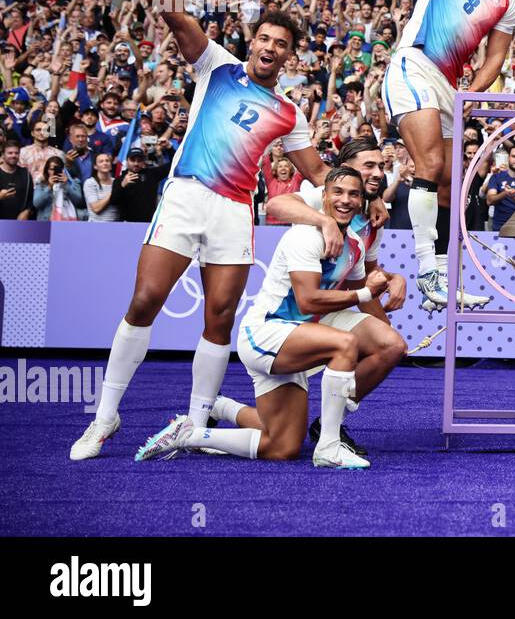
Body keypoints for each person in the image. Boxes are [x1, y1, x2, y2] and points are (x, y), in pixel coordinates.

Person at [70, 0, 330, 462]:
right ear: (252, 41)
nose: (270, 48)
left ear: (289, 56)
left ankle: (193, 422)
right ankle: (103, 419)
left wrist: (354, 193)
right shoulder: (217, 66)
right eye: (265, 39)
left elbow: (319, 174)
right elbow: (175, 15)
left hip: (236, 210)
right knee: (144, 301)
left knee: (219, 317)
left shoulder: (289, 112)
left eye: (281, 45)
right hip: (187, 196)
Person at [134, 168, 392, 469]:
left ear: (362, 201)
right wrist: (365, 294)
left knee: (282, 446)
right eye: (338, 192)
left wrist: (390, 283)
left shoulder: (356, 247)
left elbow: (362, 291)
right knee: (345, 345)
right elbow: (310, 298)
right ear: (323, 197)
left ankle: (195, 431)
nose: (345, 200)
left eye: (353, 194)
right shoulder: (305, 235)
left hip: (297, 338)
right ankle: (330, 445)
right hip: (266, 334)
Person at [383, 0, 515, 315]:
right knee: (430, 165)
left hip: (448, 83)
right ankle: (426, 272)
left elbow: (496, 58)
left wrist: (470, 95)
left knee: (444, 182)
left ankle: (439, 268)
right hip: (412, 66)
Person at [264, 136, 408, 456]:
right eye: (367, 165)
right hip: (291, 312)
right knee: (278, 438)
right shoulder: (328, 195)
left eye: (380, 166)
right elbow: (274, 205)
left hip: (329, 310)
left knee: (391, 346)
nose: (377, 173)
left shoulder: (373, 218)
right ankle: (213, 409)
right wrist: (325, 221)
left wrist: (395, 280)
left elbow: (368, 275)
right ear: (345, 170)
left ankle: (330, 425)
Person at [486, 143, 515, 231]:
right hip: (499, 228)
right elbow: (489, 201)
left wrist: (514, 198)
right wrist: (505, 193)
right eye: (514, 156)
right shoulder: (496, 177)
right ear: (508, 158)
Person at [33, 155, 85, 221]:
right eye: (51, 169)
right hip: (47, 222)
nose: (54, 172)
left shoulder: (73, 181)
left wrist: (66, 185)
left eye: (57, 169)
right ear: (47, 170)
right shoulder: (41, 183)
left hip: (69, 221)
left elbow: (78, 200)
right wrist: (49, 187)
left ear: (63, 169)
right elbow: (37, 203)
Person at [0, 139, 35, 220]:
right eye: (10, 153)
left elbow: (31, 198)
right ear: (2, 155)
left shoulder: (25, 173)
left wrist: (27, 211)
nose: (14, 155)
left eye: (16, 153)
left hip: (19, 223)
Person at [83, 152, 120, 222]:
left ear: (111, 165)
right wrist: (114, 192)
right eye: (101, 161)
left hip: (116, 226)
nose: (105, 163)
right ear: (95, 166)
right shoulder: (90, 183)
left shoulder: (117, 182)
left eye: (107, 161)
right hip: (96, 226)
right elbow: (96, 208)